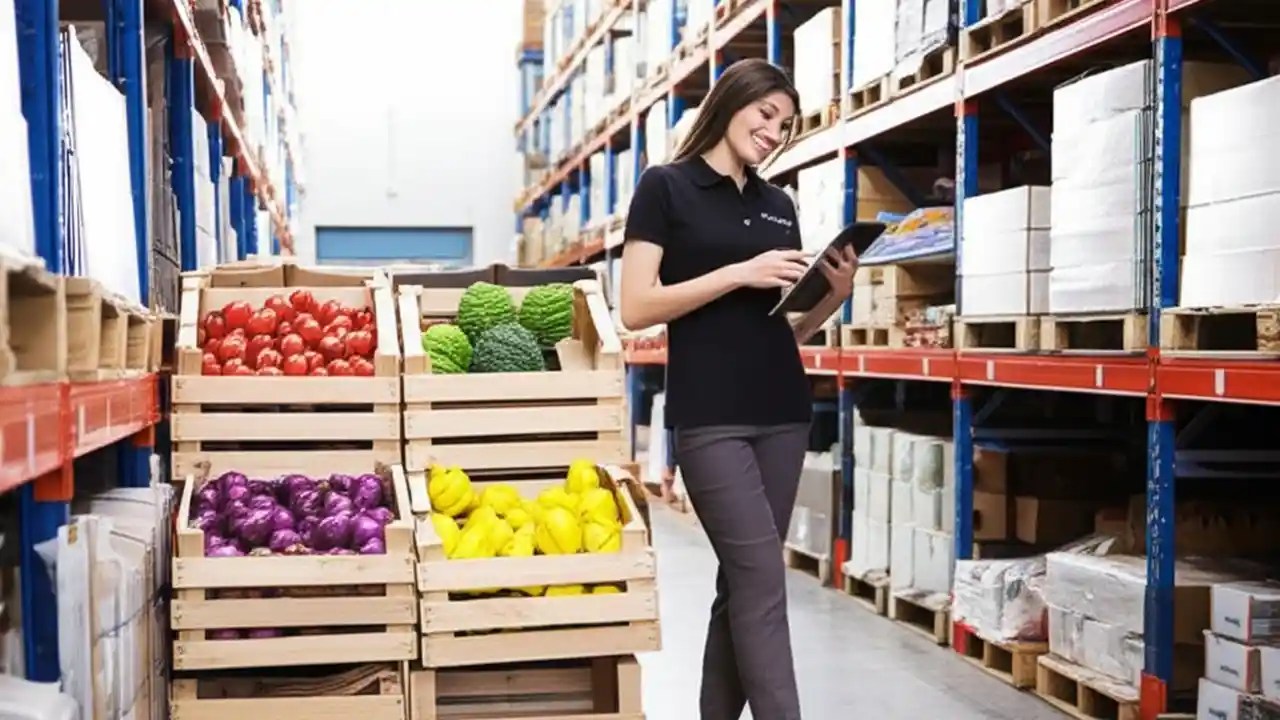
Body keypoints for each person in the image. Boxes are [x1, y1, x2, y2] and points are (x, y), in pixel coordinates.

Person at [619, 58, 859, 720]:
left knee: (741, 586)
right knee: (761, 579)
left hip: (782, 412)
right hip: (712, 418)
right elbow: (635, 306)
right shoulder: (665, 188)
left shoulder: (778, 205)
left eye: (783, 124)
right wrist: (737, 271)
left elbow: (783, 330)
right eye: (765, 114)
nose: (773, 131)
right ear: (731, 103)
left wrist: (829, 300)